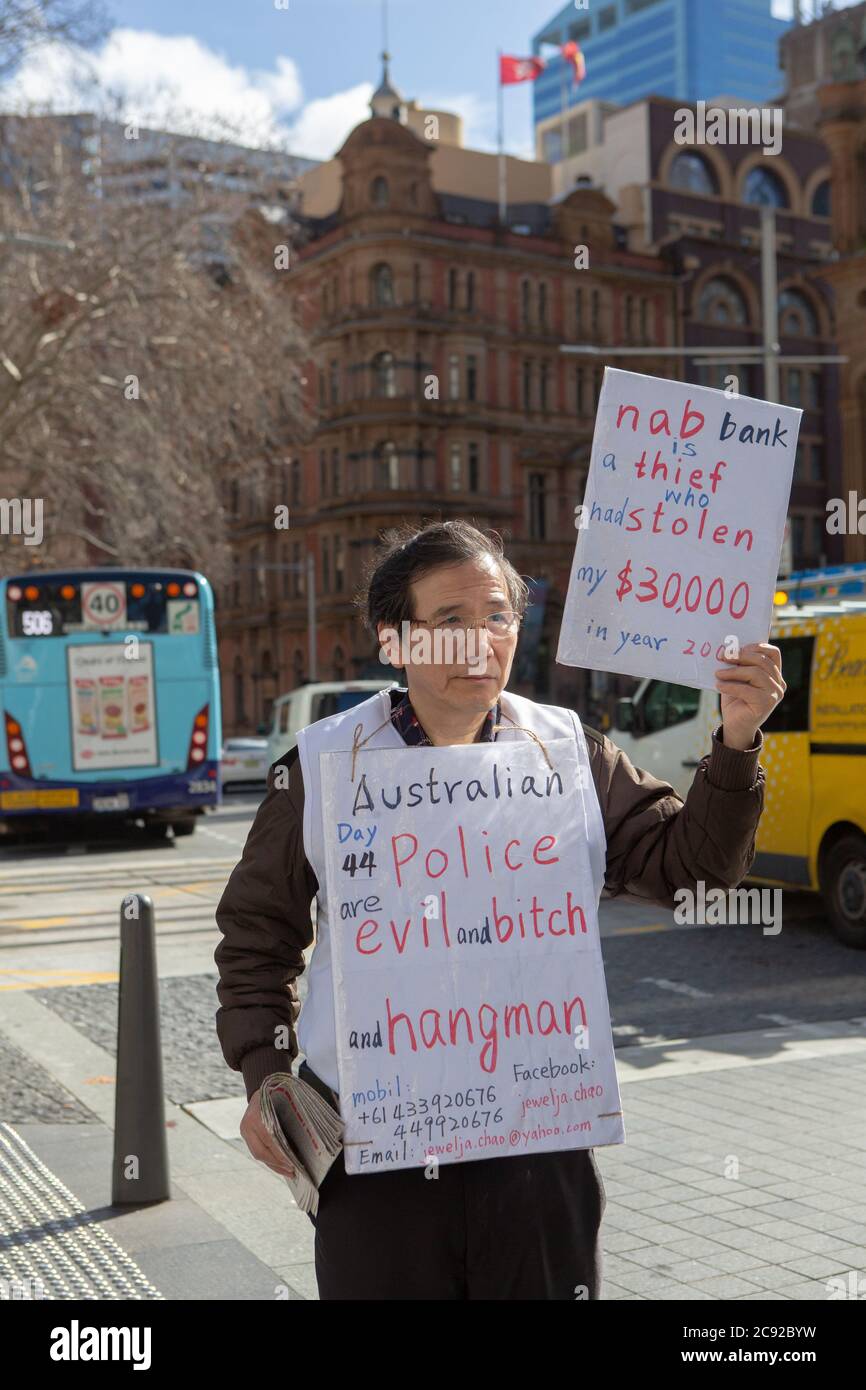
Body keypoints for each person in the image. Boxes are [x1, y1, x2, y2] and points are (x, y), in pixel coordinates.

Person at [214, 520, 784, 1300]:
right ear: (395, 640)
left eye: (496, 617)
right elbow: (256, 937)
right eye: (449, 622)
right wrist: (264, 1074)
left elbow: (696, 867)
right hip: (378, 1157)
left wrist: (739, 738)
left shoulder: (567, 751)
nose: (479, 642)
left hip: (537, 1146)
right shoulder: (321, 765)